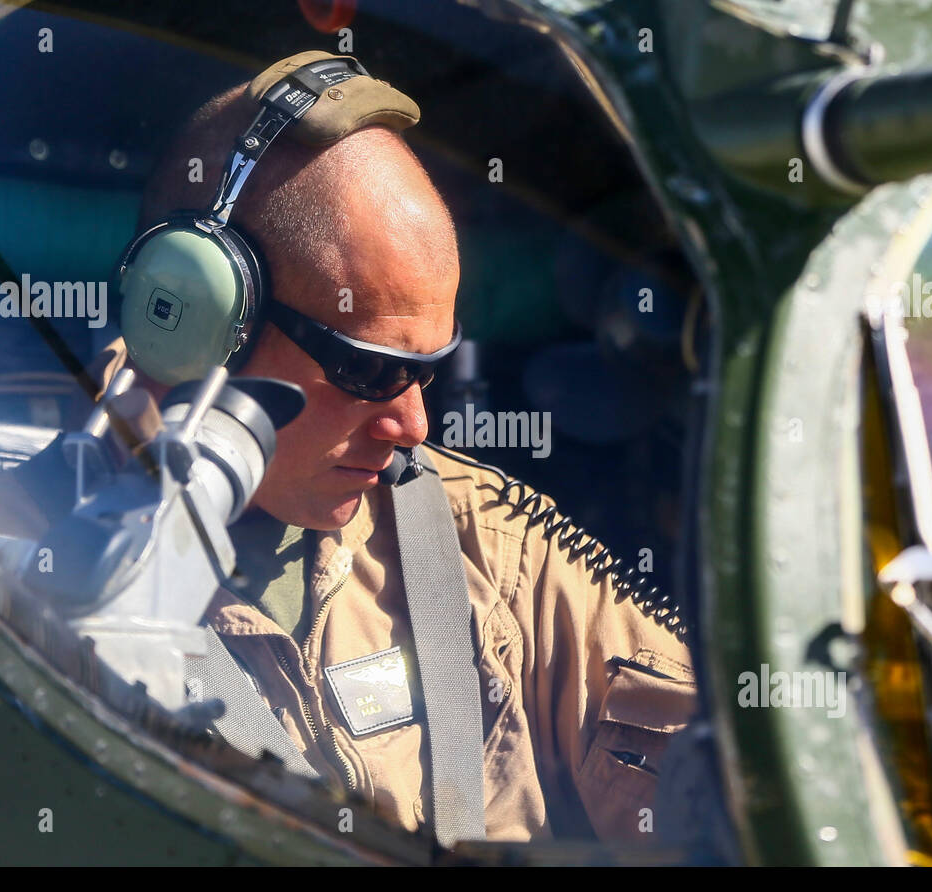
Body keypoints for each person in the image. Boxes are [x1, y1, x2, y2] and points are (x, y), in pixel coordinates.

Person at [89, 52, 702, 845]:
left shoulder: (484, 542)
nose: (413, 424)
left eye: (427, 372)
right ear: (198, 322)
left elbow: (728, 777)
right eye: (369, 367)